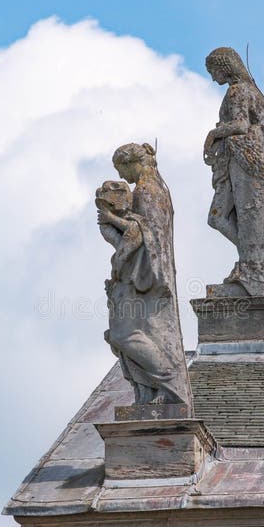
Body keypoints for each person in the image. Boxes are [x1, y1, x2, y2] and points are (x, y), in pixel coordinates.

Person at [96, 143, 193, 408]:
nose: (123, 177)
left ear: (132, 163)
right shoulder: (154, 187)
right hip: (139, 272)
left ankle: (170, 384)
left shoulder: (147, 189)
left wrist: (111, 219)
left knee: (125, 335)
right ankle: (149, 392)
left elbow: (144, 232)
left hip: (145, 277)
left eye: (122, 169)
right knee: (129, 334)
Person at [204, 46, 264, 296]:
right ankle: (251, 261)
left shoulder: (238, 90)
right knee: (217, 217)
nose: (213, 78)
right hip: (238, 159)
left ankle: (253, 269)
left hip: (245, 158)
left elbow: (241, 124)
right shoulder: (250, 91)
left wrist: (213, 133)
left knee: (249, 216)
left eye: (213, 71)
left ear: (224, 67)